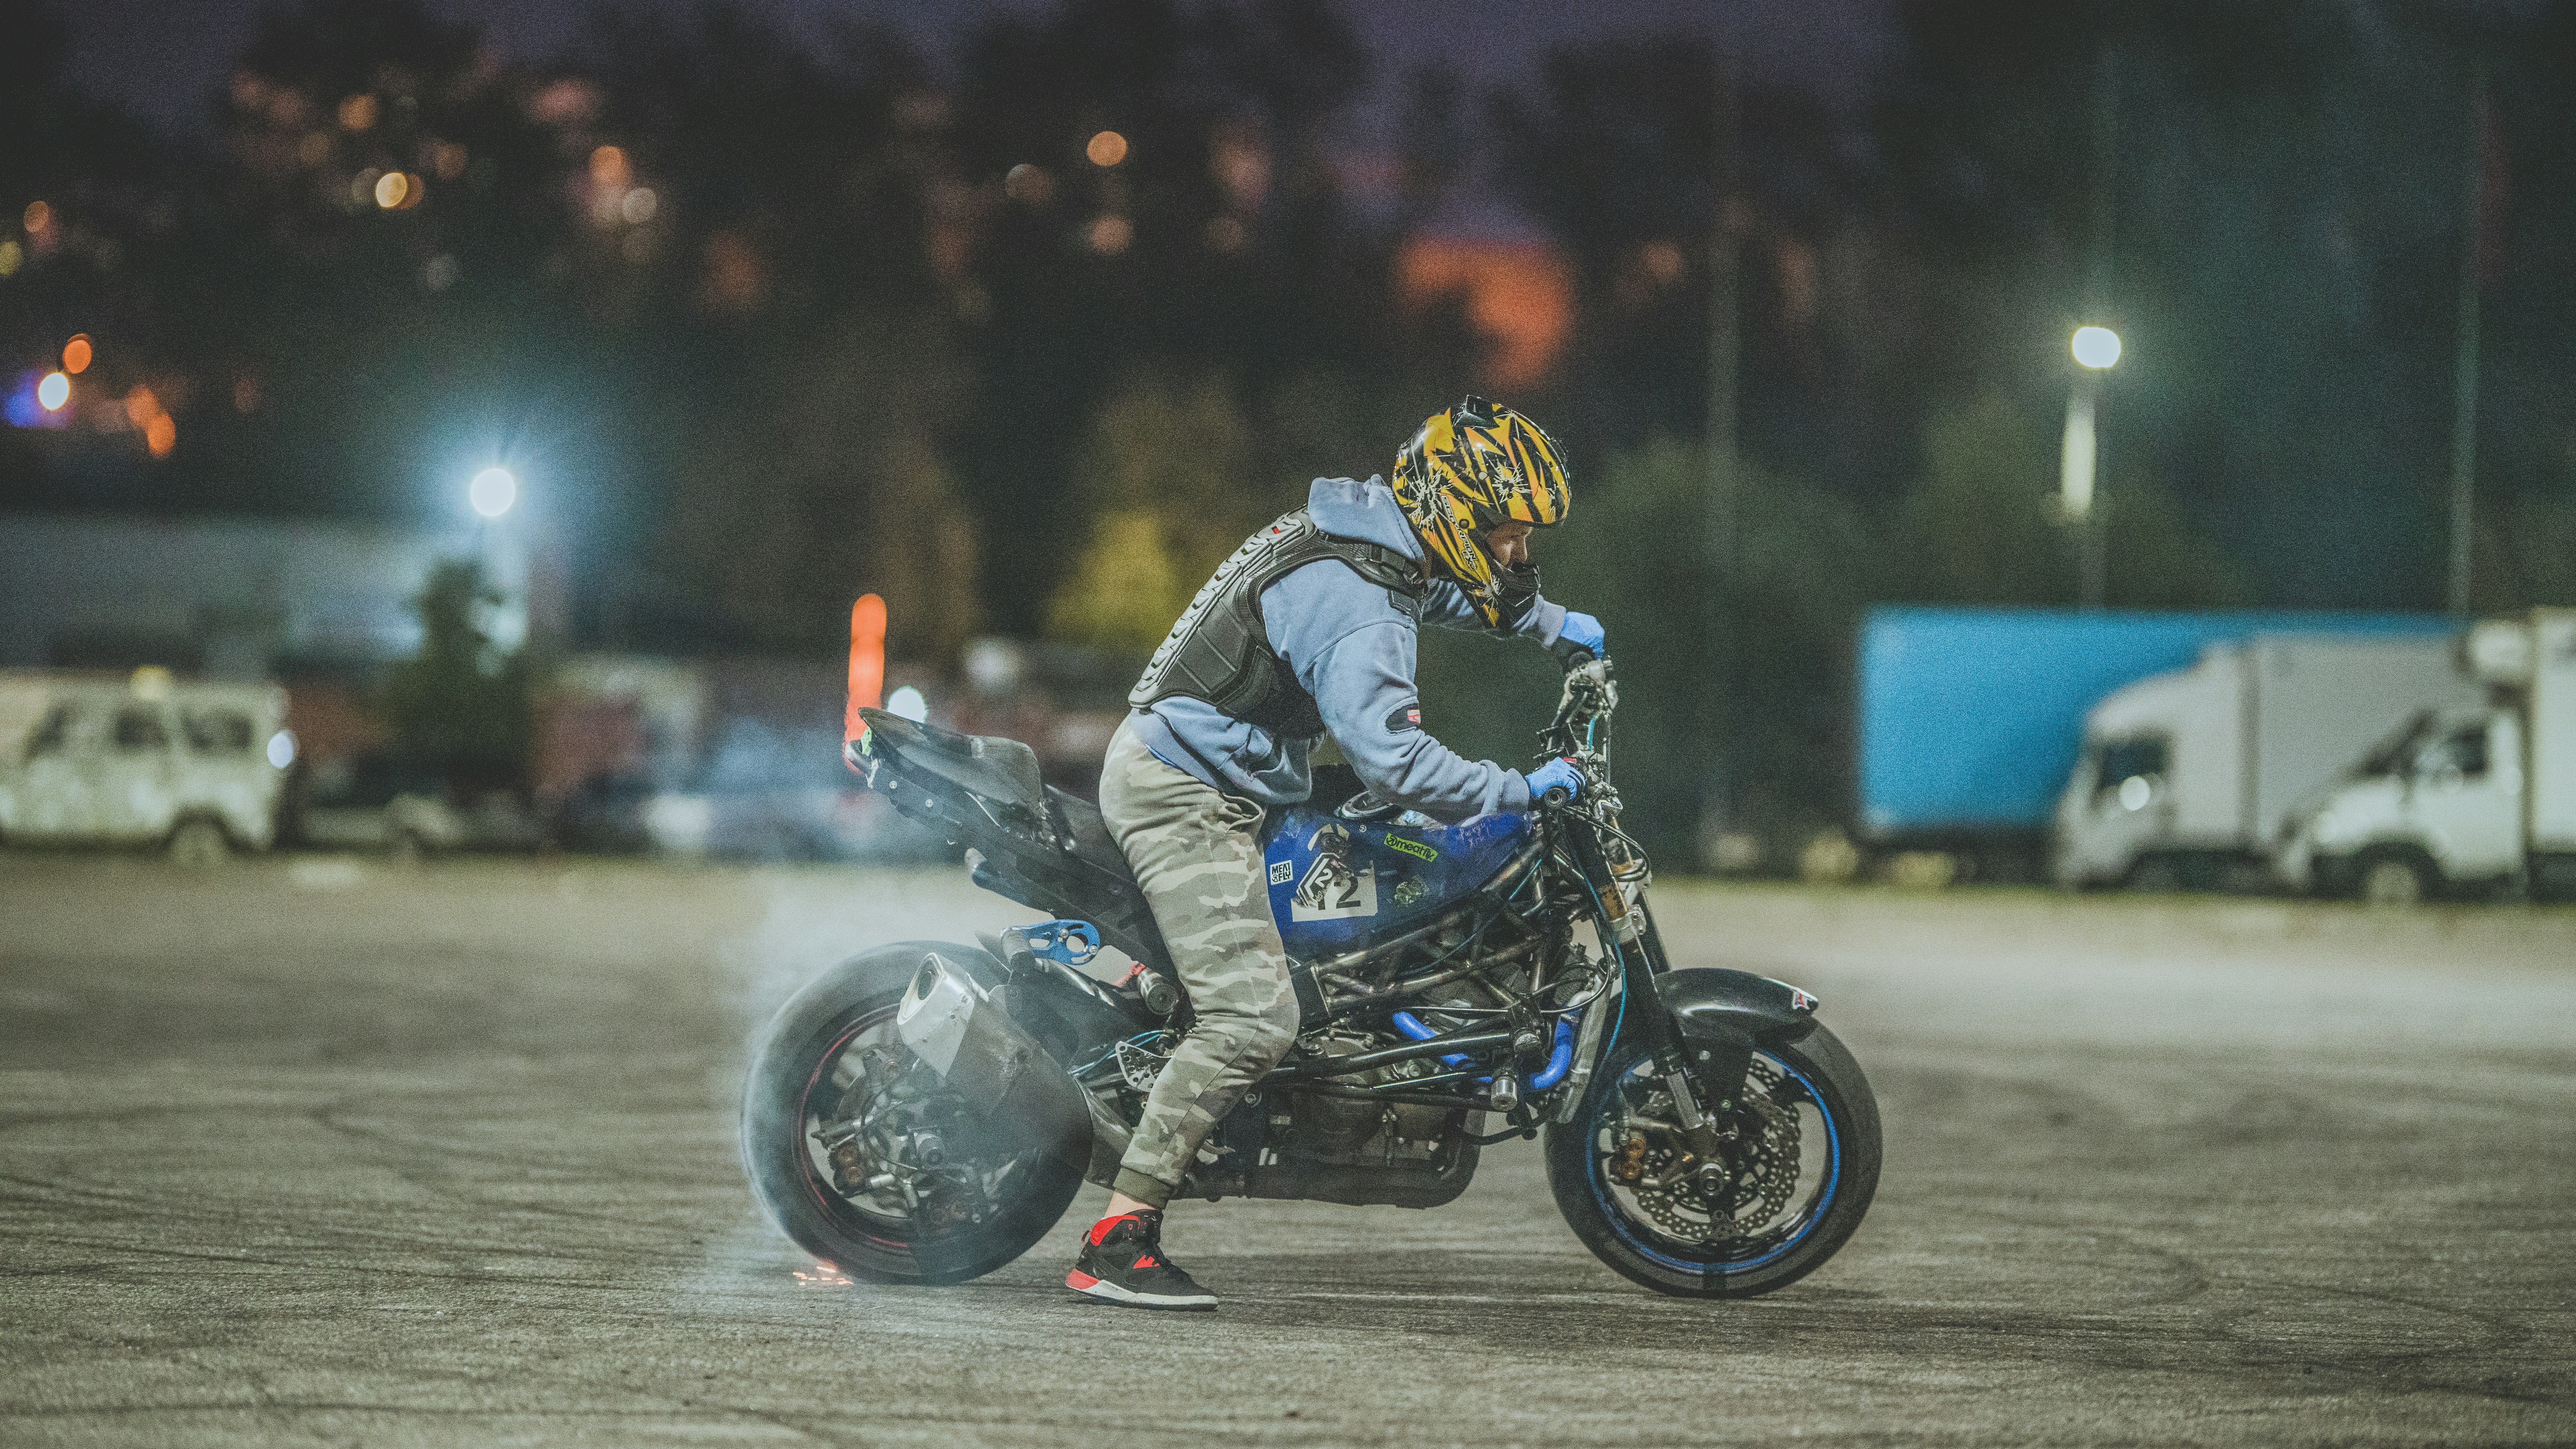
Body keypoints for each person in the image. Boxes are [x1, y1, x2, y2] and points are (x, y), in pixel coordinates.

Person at [1066, 397, 1604, 1310]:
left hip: (1226, 772)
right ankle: (1118, 1239)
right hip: (1185, 792)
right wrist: (1523, 789)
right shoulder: (1361, 603)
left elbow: (1445, 592)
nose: (1517, 555)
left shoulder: (1371, 541)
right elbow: (1396, 762)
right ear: (1454, 513)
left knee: (1346, 937)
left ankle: (1172, 1017)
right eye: (1507, 534)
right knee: (1253, 1022)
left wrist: (1556, 628)